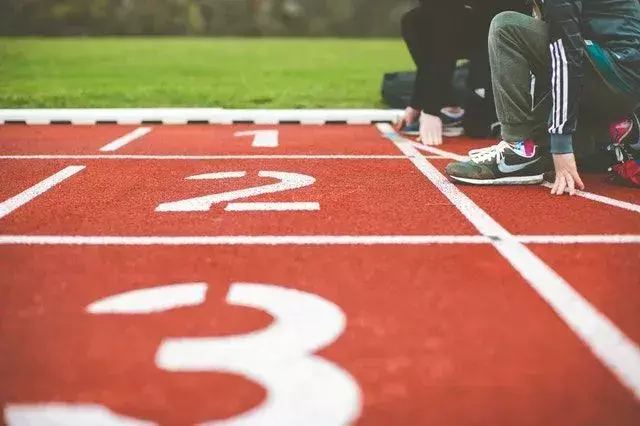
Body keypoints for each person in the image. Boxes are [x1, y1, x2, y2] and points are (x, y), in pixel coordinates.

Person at [445, 0, 640, 195]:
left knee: (506, 26)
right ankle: (611, 131)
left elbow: (565, 58)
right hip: (619, 77)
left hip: (614, 76)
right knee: (540, 150)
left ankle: (518, 148)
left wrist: (561, 144)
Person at [394, 0, 525, 145]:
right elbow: (435, 26)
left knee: (479, 127)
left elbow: (445, 29)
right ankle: (451, 107)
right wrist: (418, 102)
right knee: (415, 21)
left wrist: (431, 110)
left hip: (515, 32)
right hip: (484, 26)